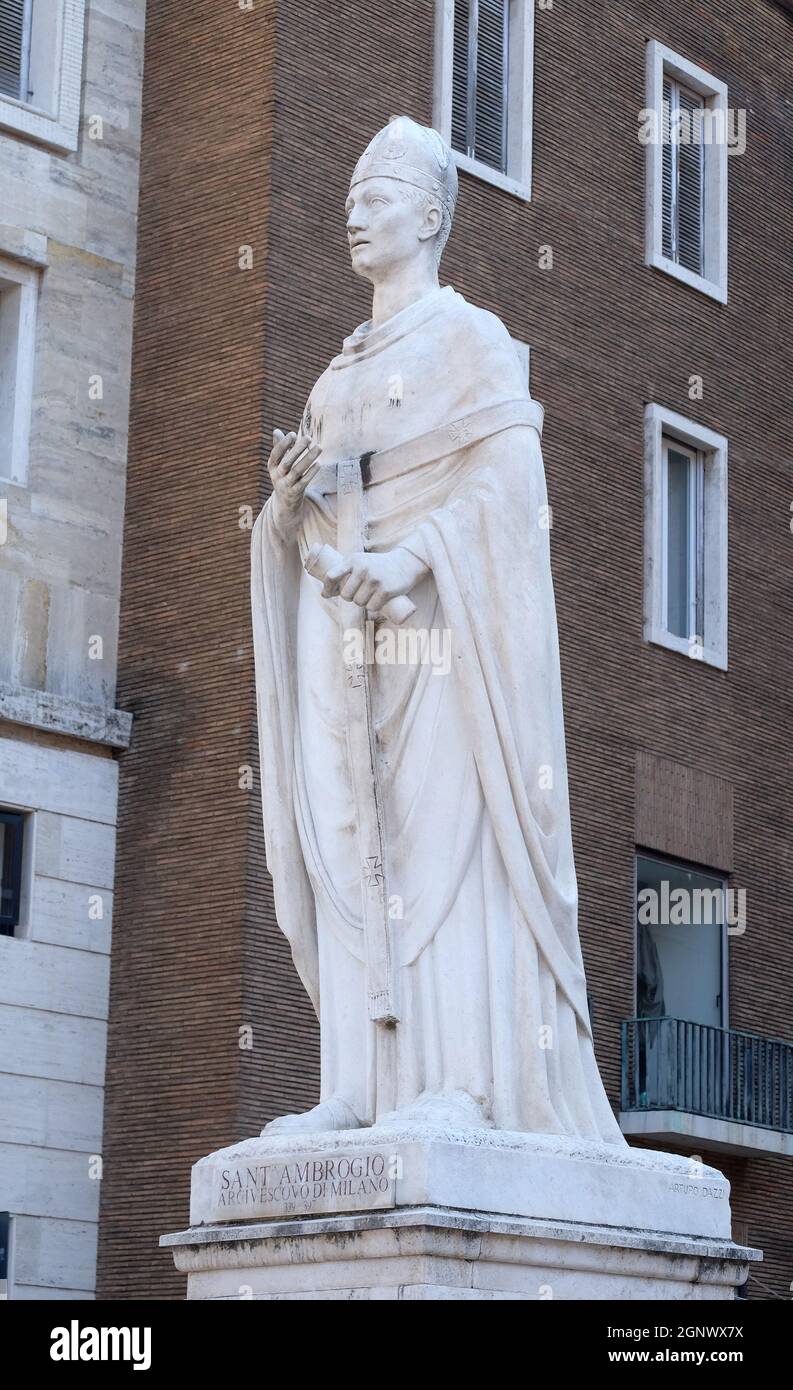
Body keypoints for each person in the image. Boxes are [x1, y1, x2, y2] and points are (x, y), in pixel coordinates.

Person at [251, 116, 625, 1144]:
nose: (353, 212)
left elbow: (511, 482)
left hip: (440, 635)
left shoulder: (472, 340)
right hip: (343, 645)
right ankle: (359, 1088)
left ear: (428, 214)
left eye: (375, 196)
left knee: (439, 844)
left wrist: (413, 561)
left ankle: (459, 1080)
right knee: (347, 845)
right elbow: (303, 521)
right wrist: (287, 514)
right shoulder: (332, 381)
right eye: (350, 197)